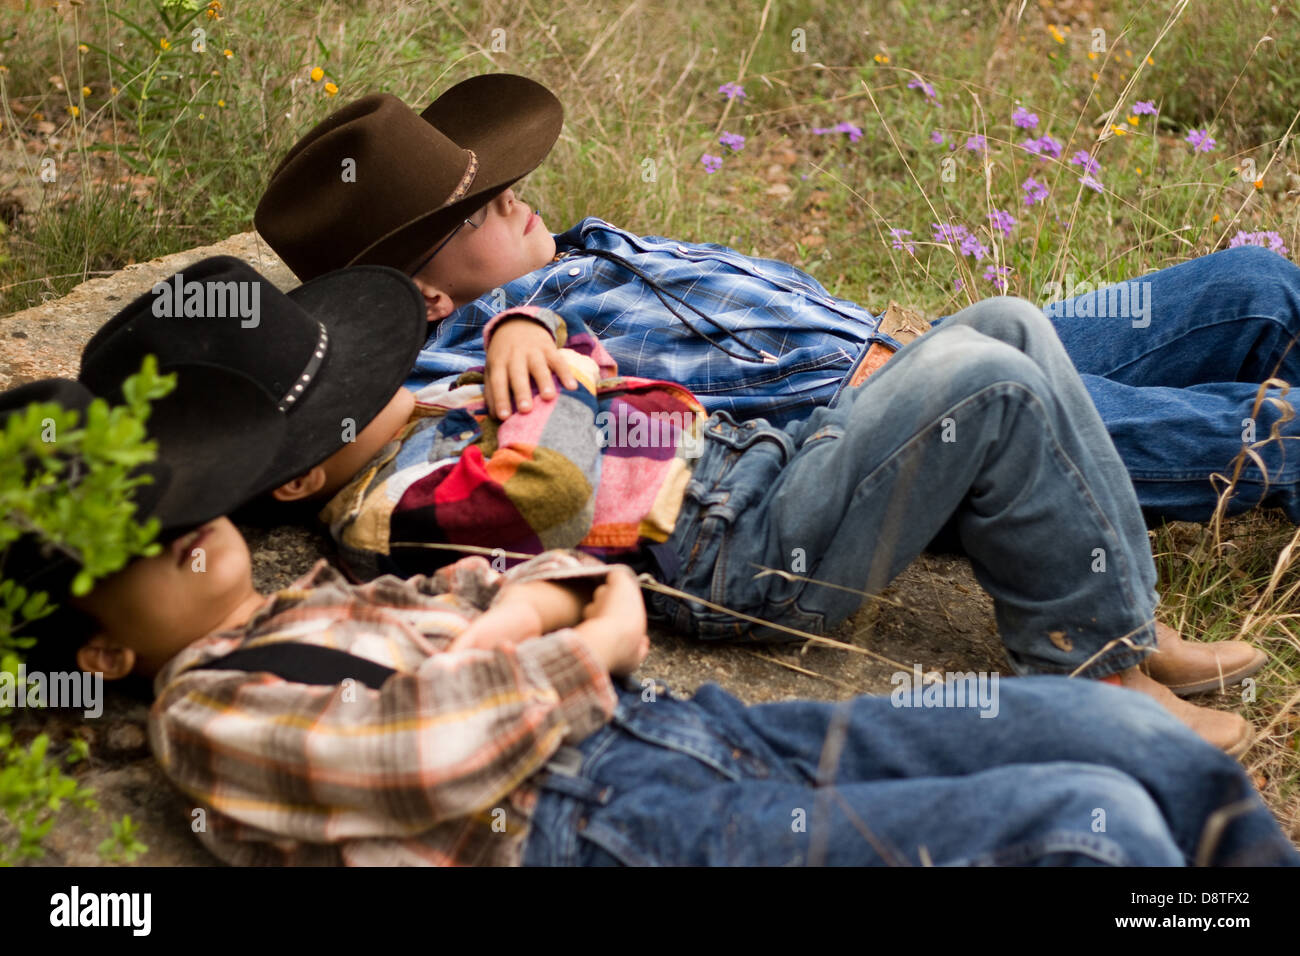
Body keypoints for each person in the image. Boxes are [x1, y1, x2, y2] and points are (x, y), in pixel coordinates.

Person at [5, 376, 1297, 867]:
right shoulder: (202, 713)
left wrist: (528, 628)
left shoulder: (322, 602)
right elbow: (416, 758)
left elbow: (567, 585)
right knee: (1092, 826)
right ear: (101, 649)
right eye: (116, 546)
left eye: (150, 487)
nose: (168, 522)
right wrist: (565, 644)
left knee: (1136, 752)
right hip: (603, 824)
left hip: (693, 731)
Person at [79, 259, 1267, 754]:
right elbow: (548, 496)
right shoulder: (390, 505)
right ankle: (1088, 668)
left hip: (763, 463)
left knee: (1005, 321)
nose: (387, 381)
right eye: (357, 389)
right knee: (990, 383)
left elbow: (605, 365)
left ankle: (1116, 613)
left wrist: (544, 342)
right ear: (301, 477)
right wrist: (546, 402)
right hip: (757, 553)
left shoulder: (441, 400)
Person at [254, 73, 1300, 525]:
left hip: (915, 346)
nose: (515, 197)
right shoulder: (468, 351)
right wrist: (521, 324)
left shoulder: (579, 249)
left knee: (1255, 285)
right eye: (479, 208)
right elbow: (445, 421)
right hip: (898, 428)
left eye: (498, 179)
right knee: (1263, 431)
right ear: (428, 295)